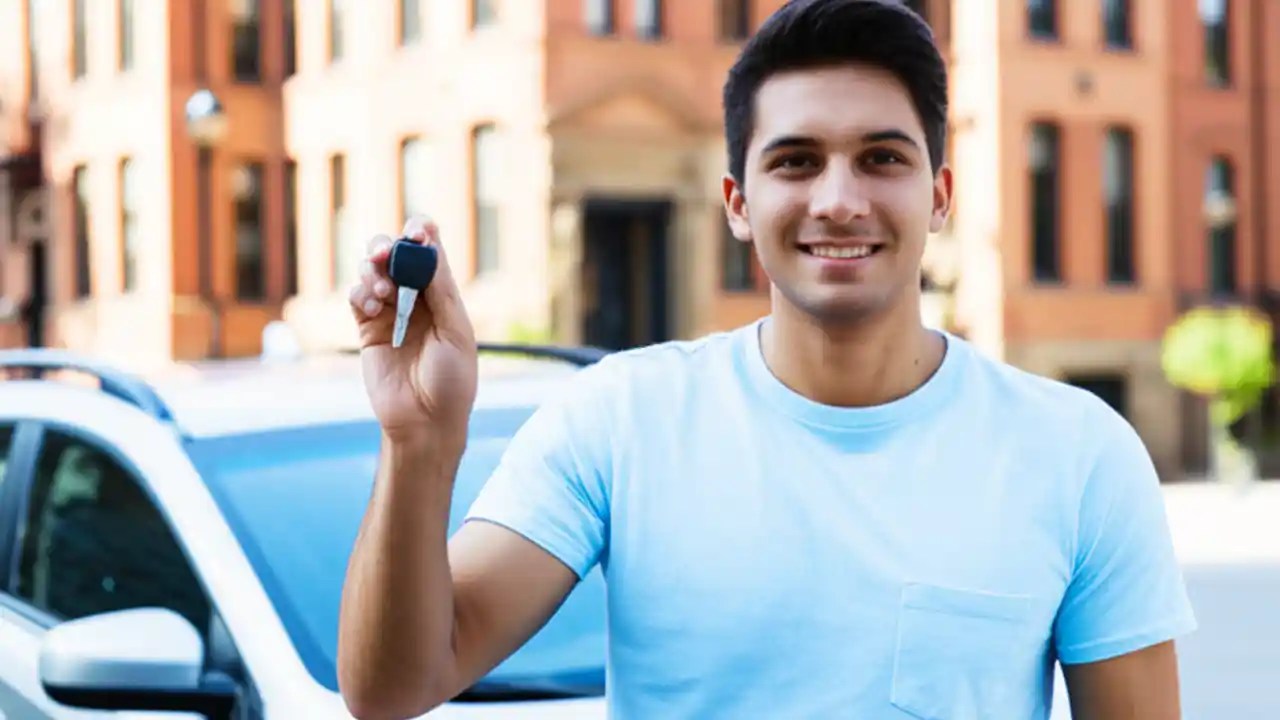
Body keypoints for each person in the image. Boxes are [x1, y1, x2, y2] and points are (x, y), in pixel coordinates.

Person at [337, 0, 1197, 717]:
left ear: (938, 195)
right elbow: (394, 688)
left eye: (881, 159)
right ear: (739, 204)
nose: (839, 199)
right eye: (796, 161)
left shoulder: (1079, 453)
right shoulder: (619, 418)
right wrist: (418, 444)